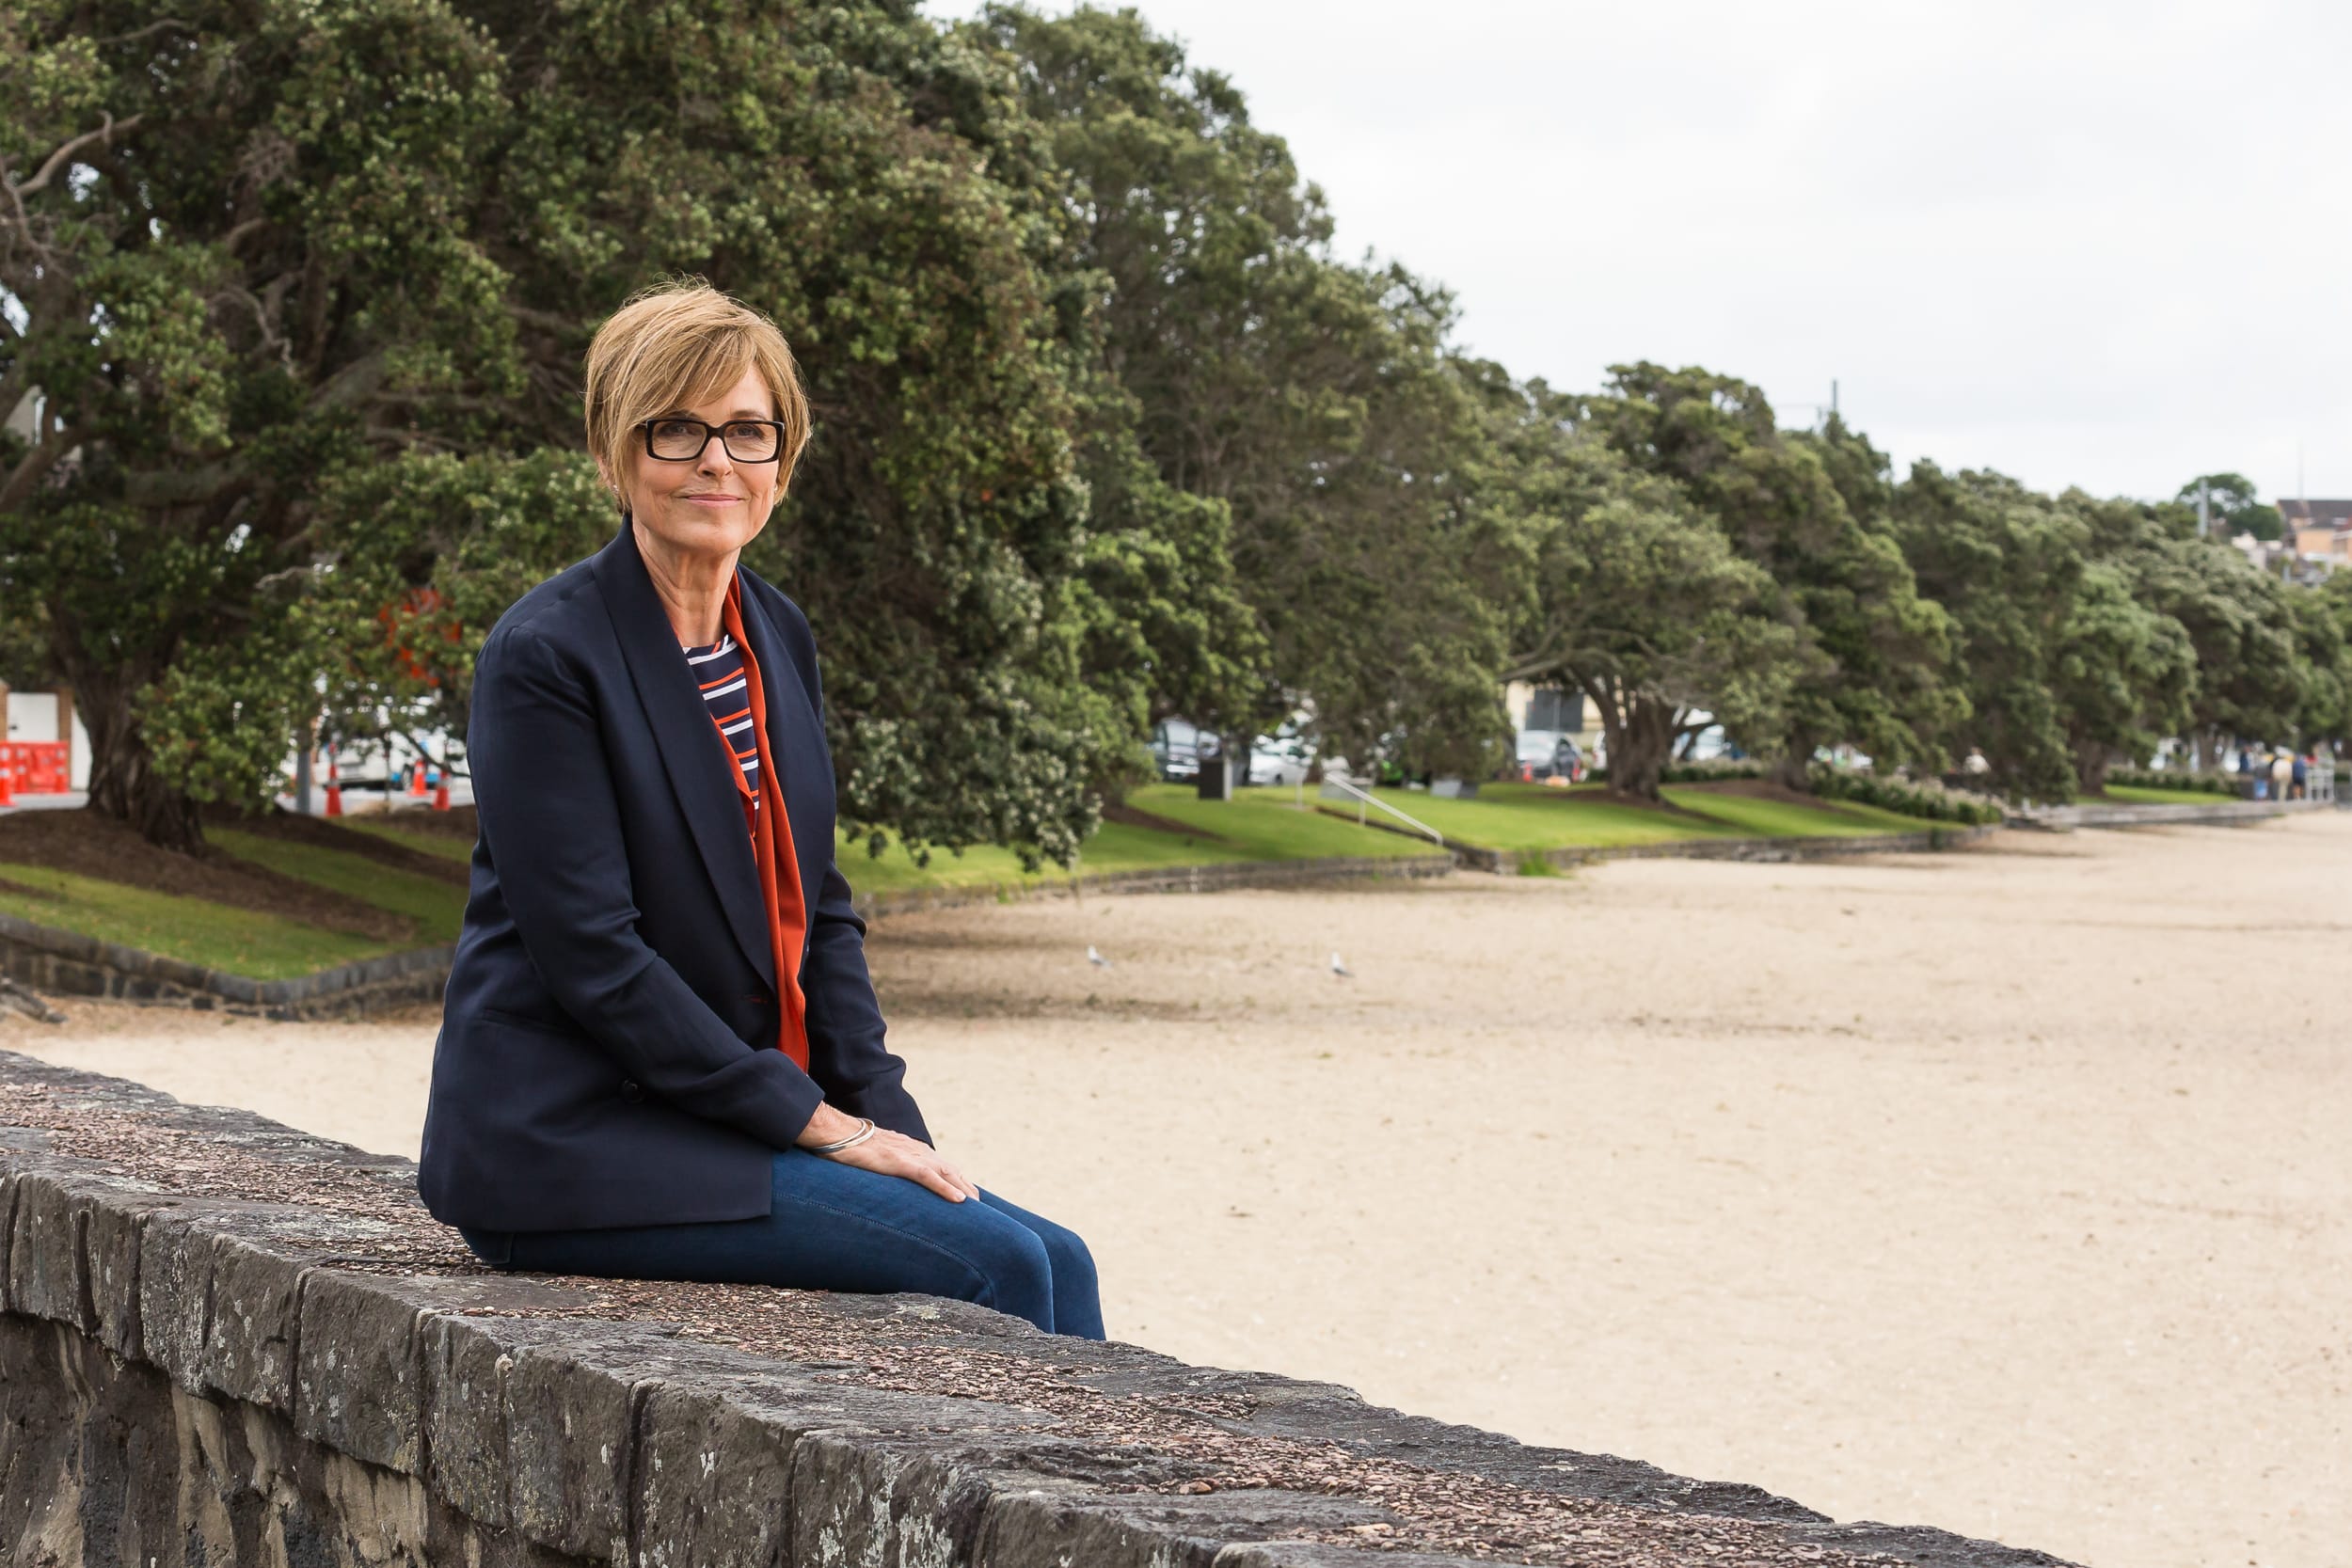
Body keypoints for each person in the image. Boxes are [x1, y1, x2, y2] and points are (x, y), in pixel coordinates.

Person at [417, 282, 1103, 1338]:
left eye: (747, 431)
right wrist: (820, 1126)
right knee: (996, 1263)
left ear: (783, 460)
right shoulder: (546, 654)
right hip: (572, 1139)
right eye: (676, 430)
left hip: (720, 1117)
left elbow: (817, 909)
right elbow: (595, 955)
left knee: (1057, 1252)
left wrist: (893, 1127)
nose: (716, 462)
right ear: (614, 453)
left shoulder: (774, 632)